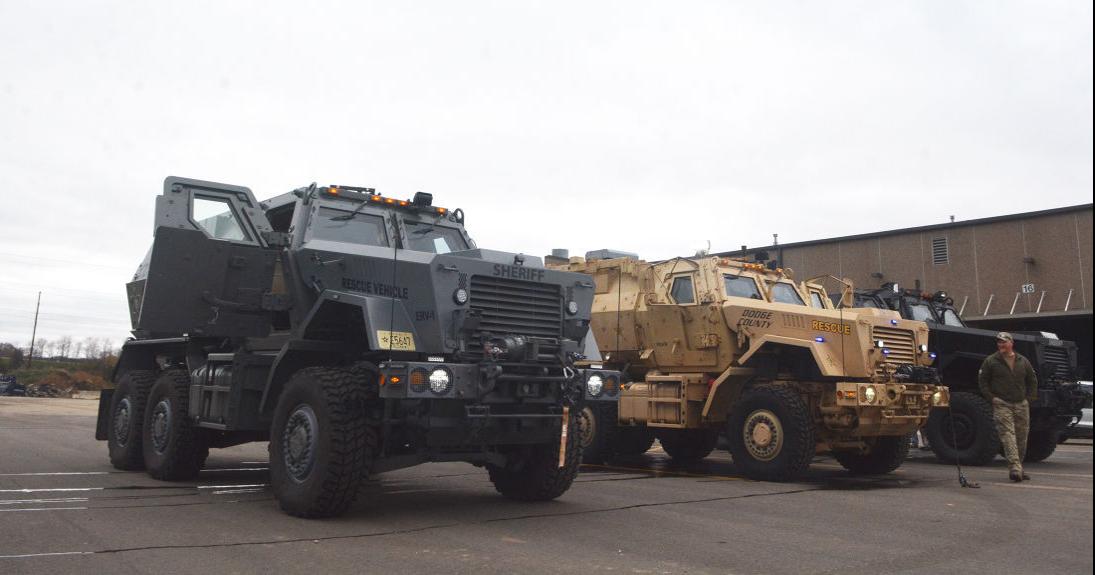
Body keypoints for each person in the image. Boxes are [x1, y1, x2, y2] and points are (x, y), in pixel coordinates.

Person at [978, 332, 1038, 482]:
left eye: (1004, 342)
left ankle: (1019, 466)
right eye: (999, 342)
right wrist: (992, 398)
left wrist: (1029, 399)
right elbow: (983, 382)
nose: (1001, 345)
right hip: (1002, 404)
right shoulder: (991, 361)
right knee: (1008, 435)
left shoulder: (1023, 361)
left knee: (1021, 437)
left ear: (1011, 343)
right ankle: (1014, 468)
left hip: (1021, 404)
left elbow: (1032, 380)